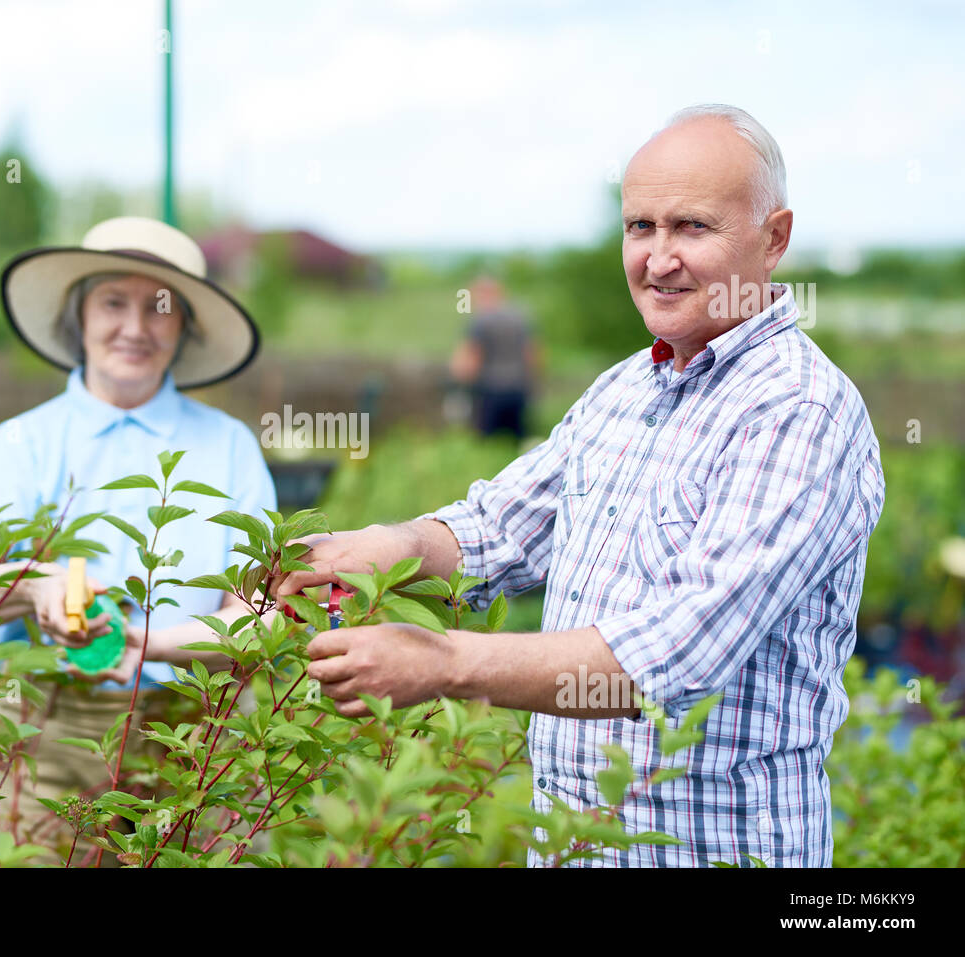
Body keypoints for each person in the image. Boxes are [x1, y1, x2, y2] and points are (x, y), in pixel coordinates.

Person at [275, 105, 885, 868]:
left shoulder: (798, 409)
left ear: (774, 238)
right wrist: (382, 545)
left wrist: (443, 662)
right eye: (640, 227)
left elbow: (671, 657)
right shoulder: (625, 388)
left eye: (692, 227)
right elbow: (496, 530)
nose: (658, 258)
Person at [0, 216, 277, 846]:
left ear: (184, 328)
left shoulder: (230, 447)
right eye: (112, 303)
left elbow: (258, 615)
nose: (134, 327)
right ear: (79, 316)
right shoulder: (22, 442)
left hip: (201, 719)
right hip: (51, 719)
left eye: (159, 308)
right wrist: (39, 586)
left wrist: (147, 641)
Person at [448, 276, 542, 439]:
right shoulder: (520, 317)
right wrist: (534, 382)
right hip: (519, 387)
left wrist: (459, 384)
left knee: (486, 442)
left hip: (490, 390)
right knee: (518, 441)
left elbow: (472, 358)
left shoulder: (480, 320)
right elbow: (532, 353)